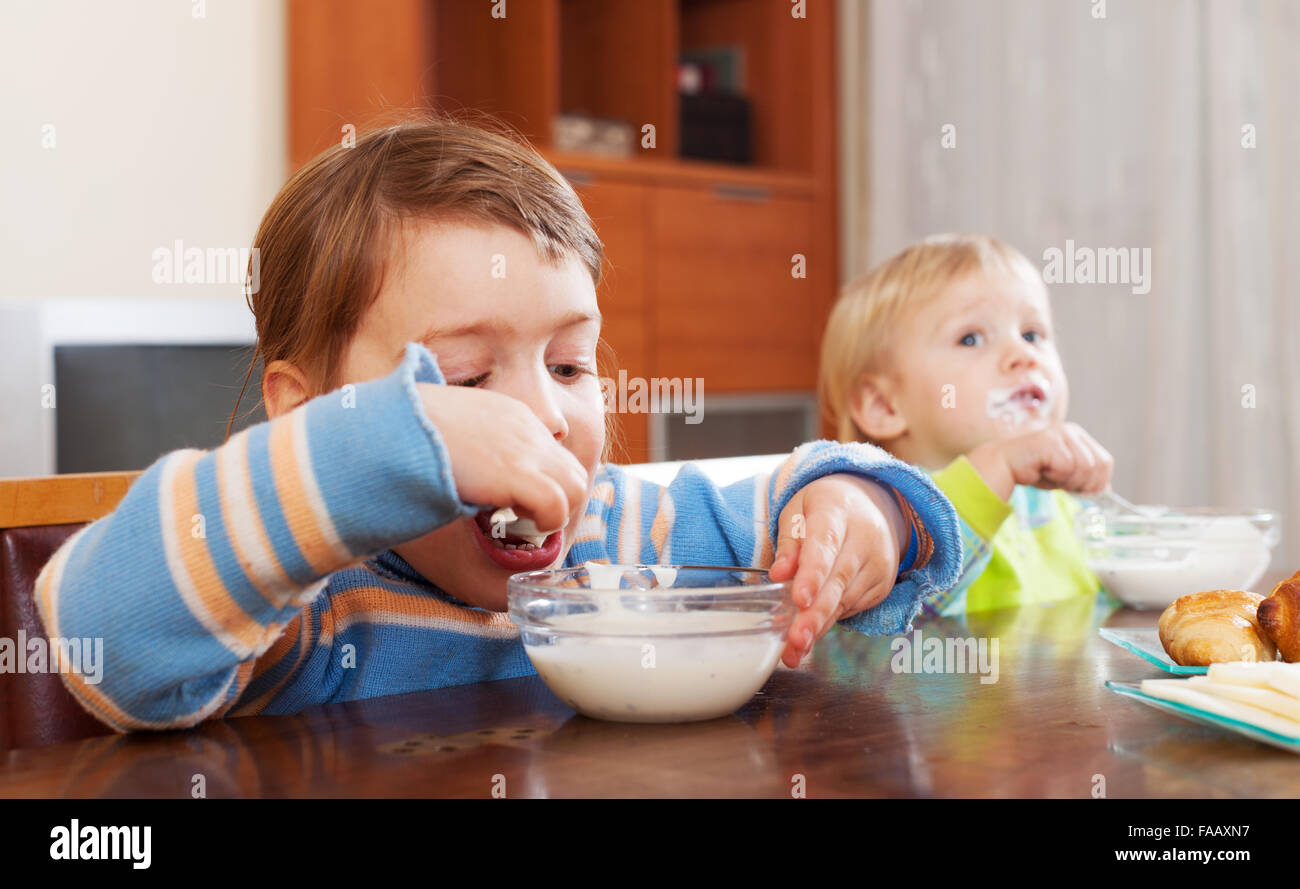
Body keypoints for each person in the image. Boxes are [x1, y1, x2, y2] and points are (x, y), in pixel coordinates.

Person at [36, 119, 960, 731]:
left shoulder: (624, 540)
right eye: (468, 376)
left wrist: (861, 509)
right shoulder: (304, 609)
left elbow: (828, 493)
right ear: (310, 412)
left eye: (569, 365)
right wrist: (369, 453)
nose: (545, 416)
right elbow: (98, 625)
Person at [819, 233, 1114, 616]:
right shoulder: (882, 520)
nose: (1022, 355)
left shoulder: (1062, 508)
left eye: (1032, 334)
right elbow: (894, 619)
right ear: (884, 405)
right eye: (971, 339)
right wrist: (1000, 466)